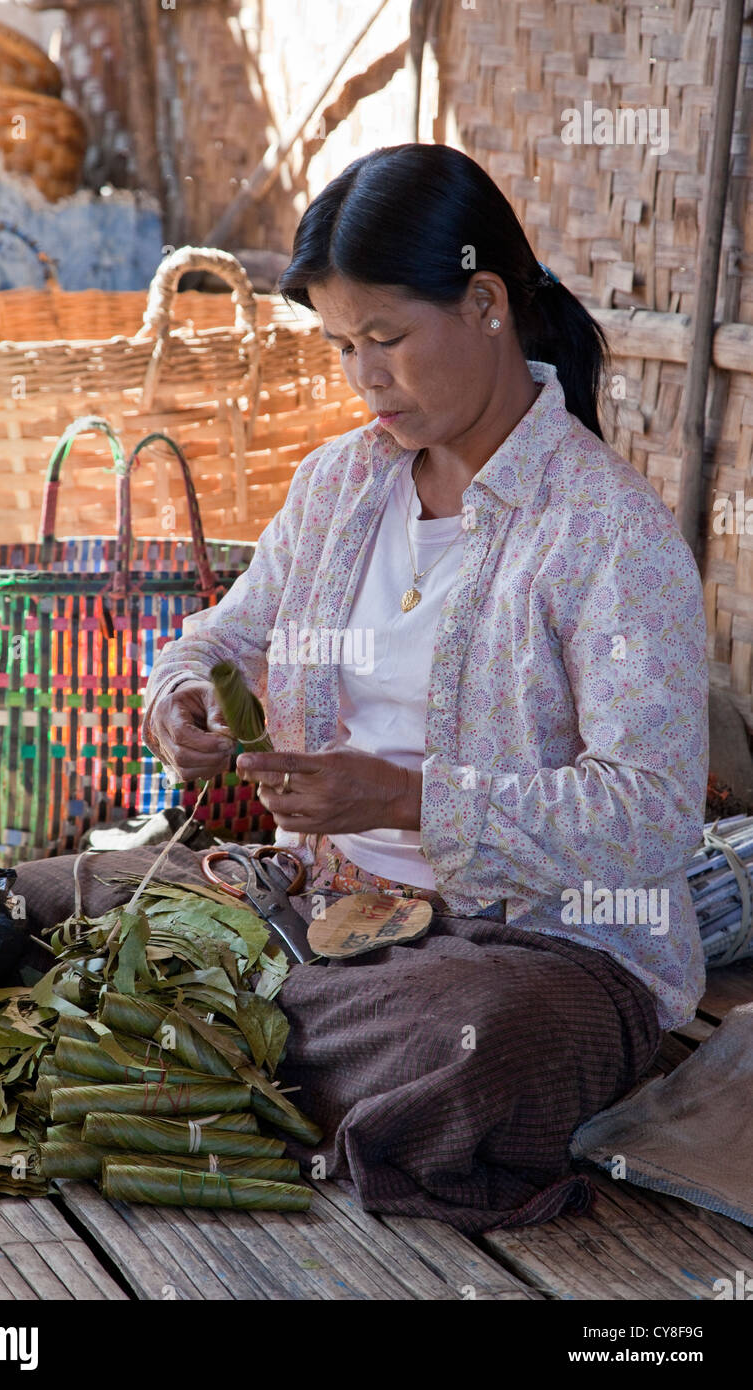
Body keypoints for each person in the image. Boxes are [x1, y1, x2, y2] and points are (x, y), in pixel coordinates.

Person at [140, 143, 708, 1232]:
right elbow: (222, 635)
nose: (364, 378)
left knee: (474, 1041)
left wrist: (401, 798)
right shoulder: (340, 484)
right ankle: (285, 1044)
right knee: (88, 894)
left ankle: (245, 1043)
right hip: (328, 912)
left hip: (539, 953)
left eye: (387, 338)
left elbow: (649, 816)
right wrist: (185, 697)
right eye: (341, 345)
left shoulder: (605, 534)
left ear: (485, 301)